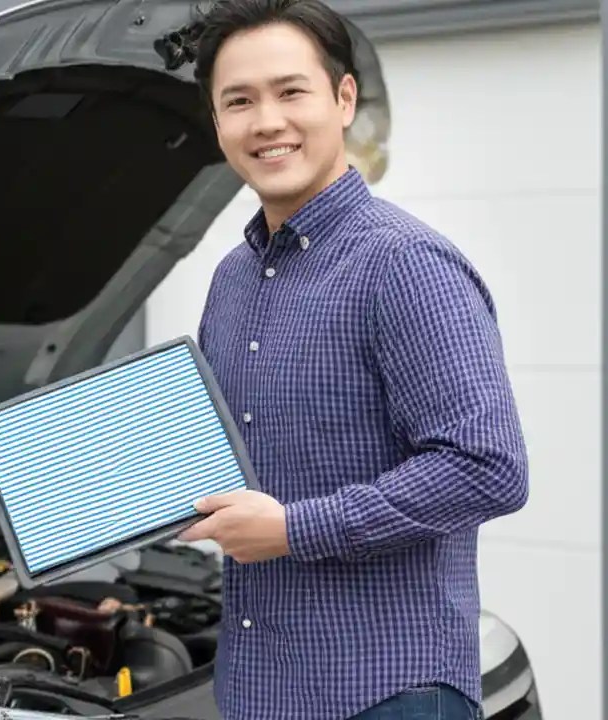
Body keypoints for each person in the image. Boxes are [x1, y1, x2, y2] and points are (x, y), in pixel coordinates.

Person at [174, 1, 530, 718]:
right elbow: (223, 457)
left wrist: (294, 530)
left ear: (343, 99)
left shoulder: (405, 264)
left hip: (385, 693)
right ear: (217, 123)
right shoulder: (232, 280)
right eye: (239, 101)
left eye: (290, 91)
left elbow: (488, 467)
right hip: (258, 690)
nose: (267, 121)